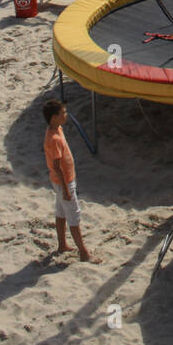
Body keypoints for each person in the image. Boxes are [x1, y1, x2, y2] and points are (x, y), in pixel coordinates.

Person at [42, 100, 97, 262]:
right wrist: (66, 189)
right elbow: (57, 167)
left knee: (61, 212)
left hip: (60, 181)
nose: (66, 115)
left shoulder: (57, 129)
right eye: (63, 113)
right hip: (63, 182)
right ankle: (84, 253)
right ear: (54, 117)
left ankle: (62, 244)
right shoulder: (54, 139)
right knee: (73, 215)